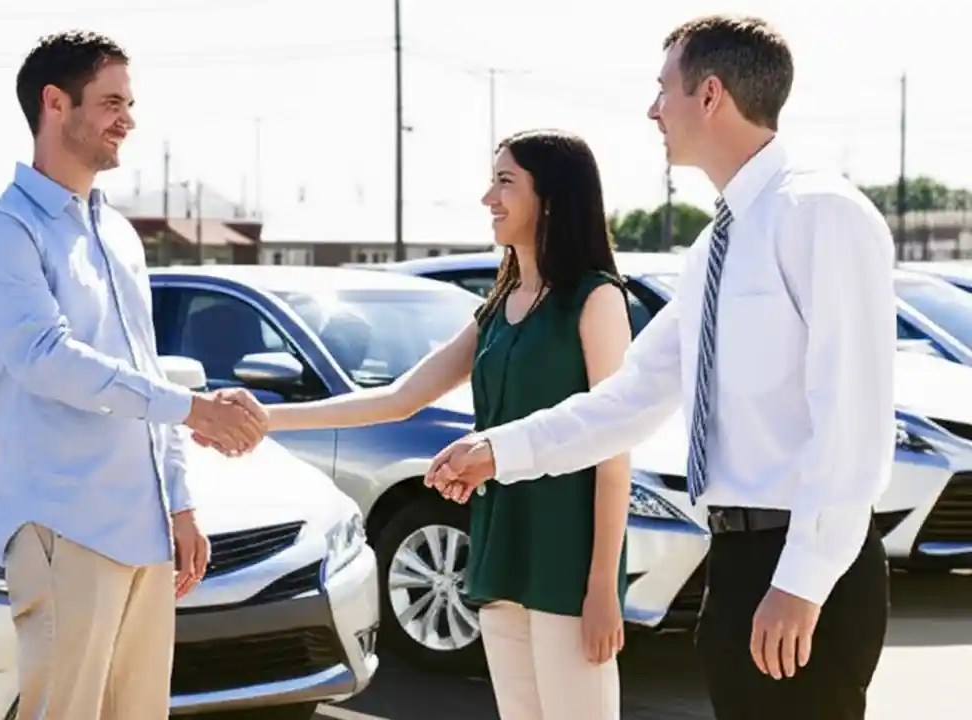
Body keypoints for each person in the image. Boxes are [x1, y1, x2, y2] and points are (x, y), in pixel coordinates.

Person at [425, 15, 894, 720]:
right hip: (735, 562)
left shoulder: (821, 213)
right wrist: (499, 450)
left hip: (801, 560)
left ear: (710, 95)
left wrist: (803, 578)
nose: (652, 110)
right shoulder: (716, 246)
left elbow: (851, 414)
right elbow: (629, 398)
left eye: (662, 90)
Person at [255, 129, 633, 719]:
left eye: (505, 181)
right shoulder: (500, 305)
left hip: (567, 561)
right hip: (500, 549)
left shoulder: (595, 300)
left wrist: (604, 589)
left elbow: (615, 449)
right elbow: (401, 397)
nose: (489, 198)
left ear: (552, 198)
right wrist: (269, 418)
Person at [0, 30, 268, 719]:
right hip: (64, 528)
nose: (127, 118)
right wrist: (192, 409)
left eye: (130, 102)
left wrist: (179, 504)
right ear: (54, 102)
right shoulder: (0, 231)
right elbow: (44, 358)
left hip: (145, 532)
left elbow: (143, 368)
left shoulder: (119, 234)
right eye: (112, 102)